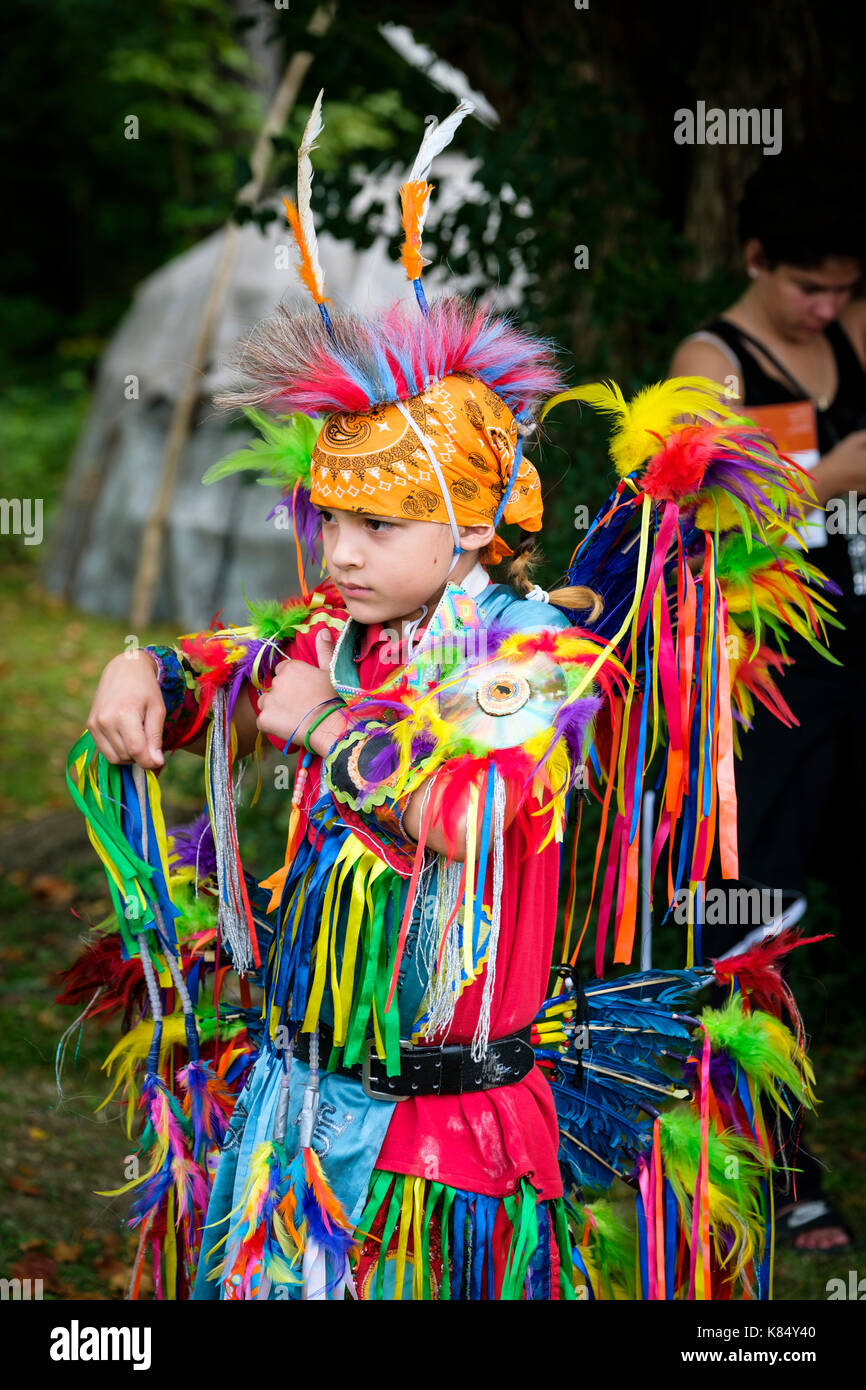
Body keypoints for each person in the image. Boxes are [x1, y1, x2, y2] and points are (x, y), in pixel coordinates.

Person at [68, 98, 825, 1301]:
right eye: (330, 521)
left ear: (472, 524)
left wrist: (320, 723)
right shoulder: (343, 629)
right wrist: (142, 671)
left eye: (379, 525)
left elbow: (464, 811)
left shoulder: (539, 656)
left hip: (447, 1142)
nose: (343, 552)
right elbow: (230, 663)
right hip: (299, 1112)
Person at [669, 149, 866, 1252]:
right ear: (753, 259)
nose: (824, 306)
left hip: (858, 663)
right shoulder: (713, 360)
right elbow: (688, 528)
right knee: (752, 923)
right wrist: (827, 479)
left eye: (841, 286)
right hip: (764, 689)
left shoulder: (850, 330)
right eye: (805, 285)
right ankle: (776, 1168)